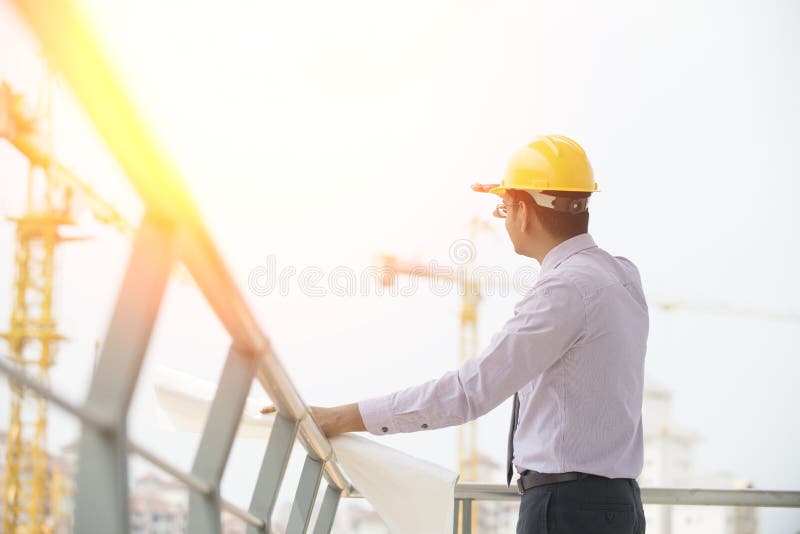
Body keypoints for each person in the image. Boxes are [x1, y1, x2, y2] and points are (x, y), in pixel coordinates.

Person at [263, 135, 648, 533]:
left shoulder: (564, 290)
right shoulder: (623, 275)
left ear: (524, 212)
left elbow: (469, 392)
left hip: (567, 511)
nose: (504, 218)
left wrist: (341, 417)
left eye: (504, 207)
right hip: (621, 506)